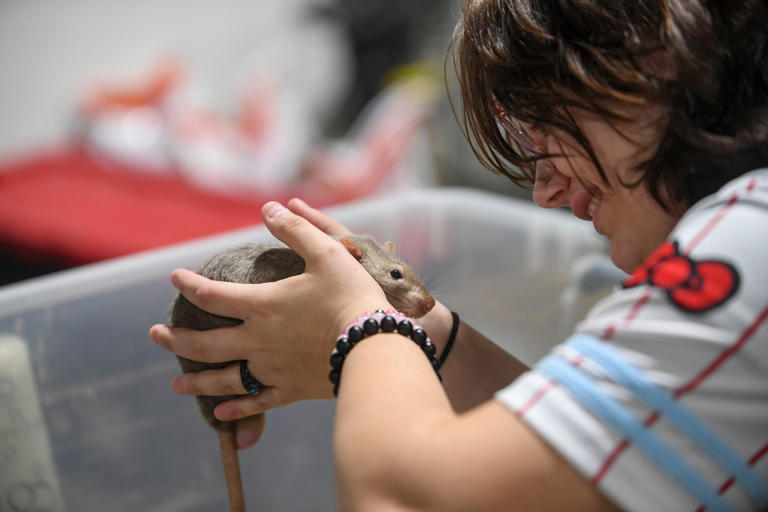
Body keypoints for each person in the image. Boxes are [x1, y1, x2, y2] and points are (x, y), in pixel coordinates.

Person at [149, 0, 768, 510]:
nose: (544, 190)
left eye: (543, 130)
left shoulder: (744, 243)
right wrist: (424, 337)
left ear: (645, 55)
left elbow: (404, 499)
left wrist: (361, 330)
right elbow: (574, 462)